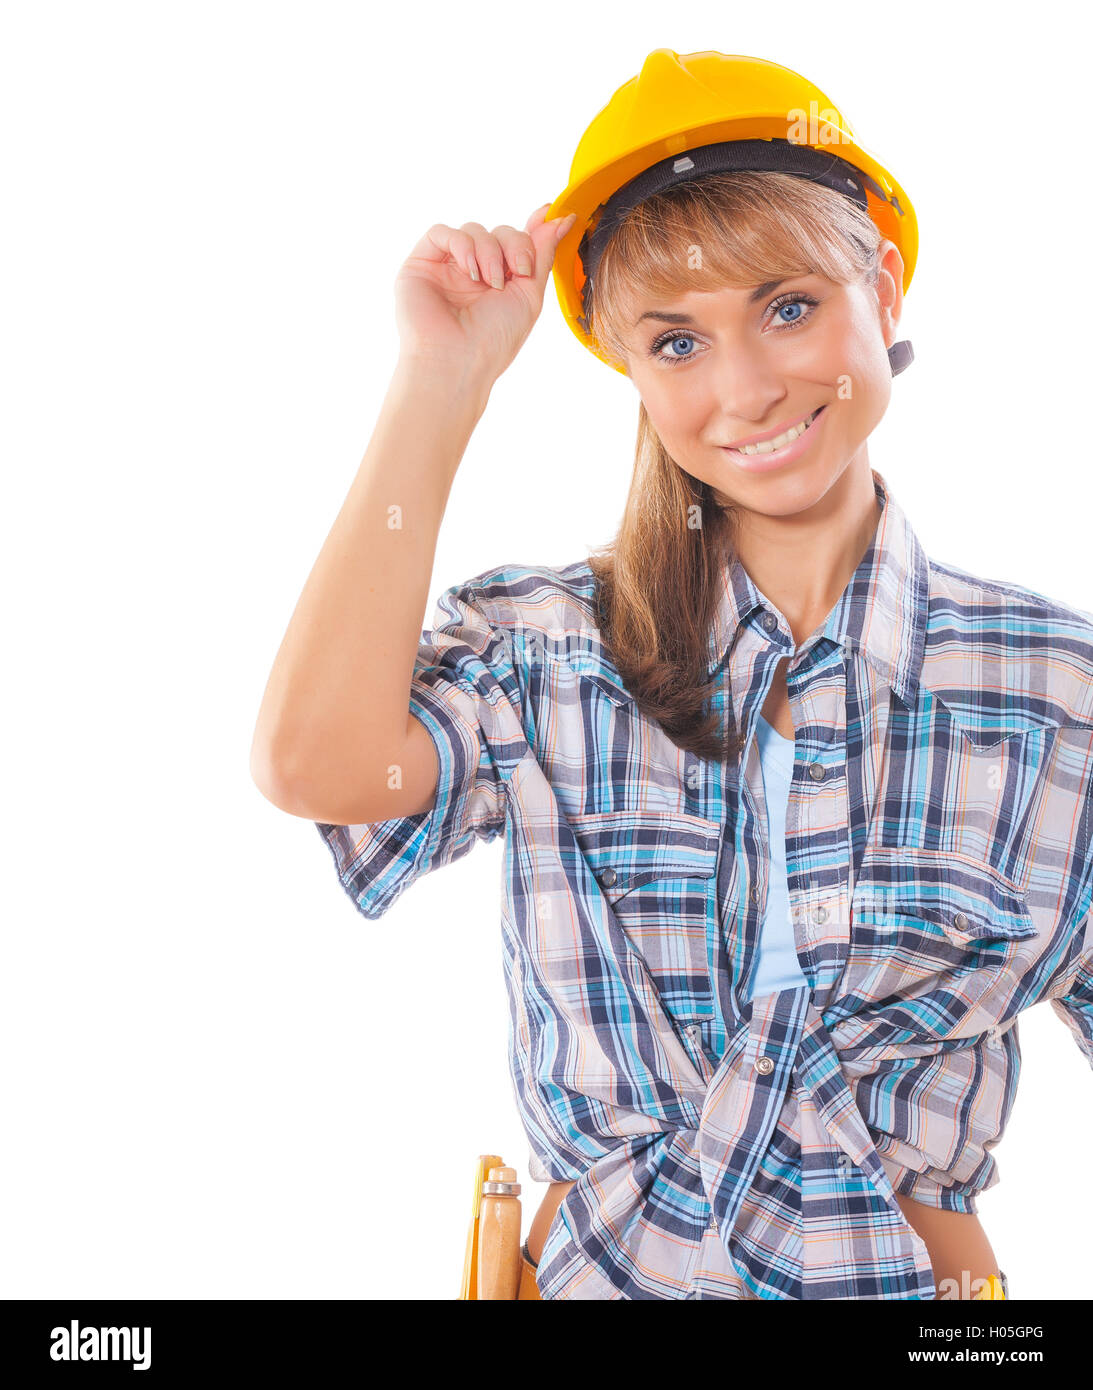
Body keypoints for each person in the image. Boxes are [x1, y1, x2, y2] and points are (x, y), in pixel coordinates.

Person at [250, 50, 1093, 1300]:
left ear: (885, 284)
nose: (744, 388)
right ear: (631, 371)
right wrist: (443, 383)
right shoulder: (548, 650)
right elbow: (317, 763)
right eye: (677, 340)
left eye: (790, 306)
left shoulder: (1054, 691)